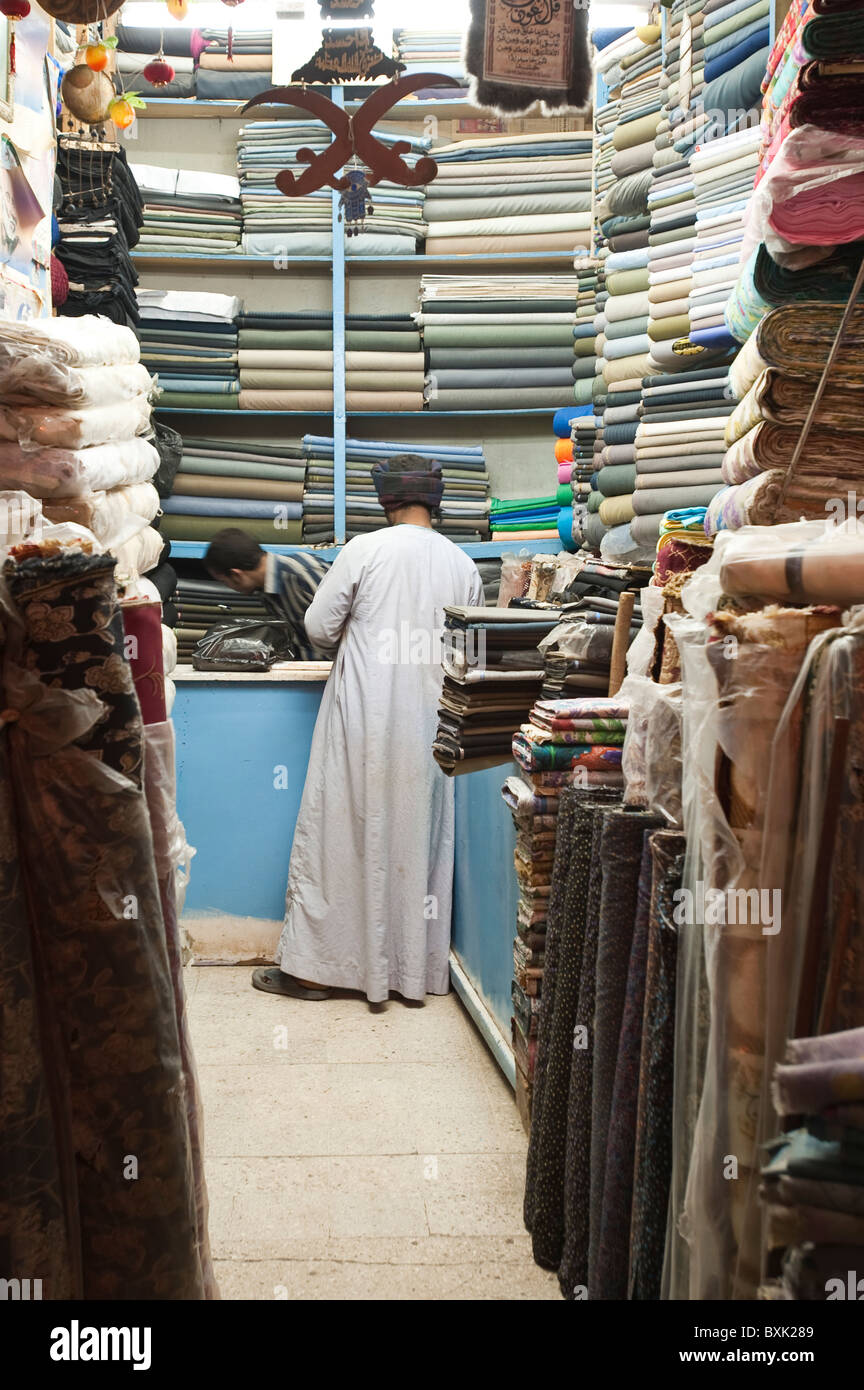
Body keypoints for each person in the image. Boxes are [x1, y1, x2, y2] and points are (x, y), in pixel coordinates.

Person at [251, 454, 484, 1005]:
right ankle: (409, 975)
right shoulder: (463, 565)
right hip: (433, 725)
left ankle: (317, 970)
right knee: (415, 844)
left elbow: (319, 627)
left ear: (386, 501)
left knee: (343, 838)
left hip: (364, 716)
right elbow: (470, 654)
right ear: (435, 499)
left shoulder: (365, 550)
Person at [203, 528, 332, 660]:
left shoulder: (302, 574)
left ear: (236, 574)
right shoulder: (265, 590)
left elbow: (345, 629)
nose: (229, 588)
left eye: (225, 582)